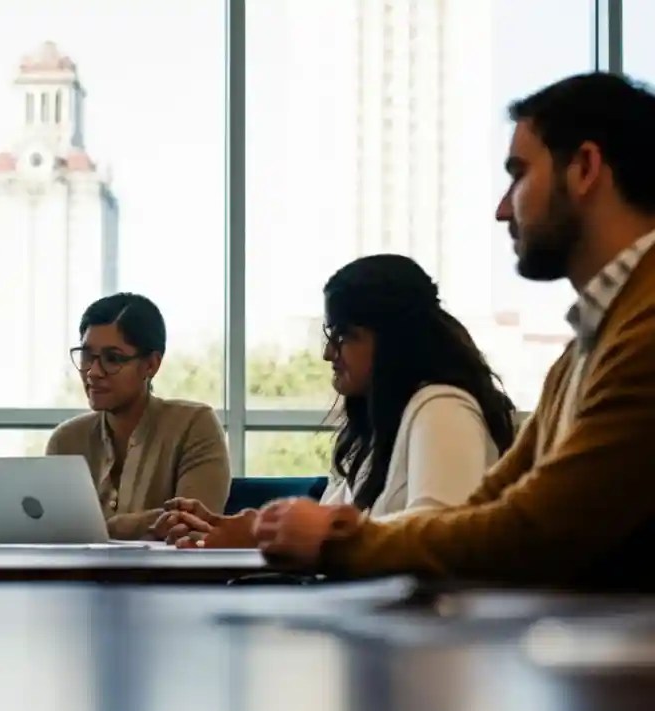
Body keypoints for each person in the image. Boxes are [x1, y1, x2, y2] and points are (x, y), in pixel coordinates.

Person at [253, 72, 655, 590]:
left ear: (584, 168)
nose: (502, 209)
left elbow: (535, 530)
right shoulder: (585, 348)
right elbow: (488, 506)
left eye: (518, 174)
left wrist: (336, 541)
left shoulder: (643, 333)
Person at [158, 255, 516, 547]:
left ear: (395, 340)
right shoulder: (375, 431)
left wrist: (278, 534)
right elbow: (333, 530)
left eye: (343, 335)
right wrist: (251, 532)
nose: (329, 353)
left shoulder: (443, 409)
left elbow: (439, 536)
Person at [45, 293, 231, 539]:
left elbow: (190, 524)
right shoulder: (66, 440)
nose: (93, 372)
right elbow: (53, 532)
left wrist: (107, 528)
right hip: (79, 567)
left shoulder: (194, 425)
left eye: (113, 359)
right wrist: (147, 523)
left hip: (170, 566)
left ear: (151, 365)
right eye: (87, 356)